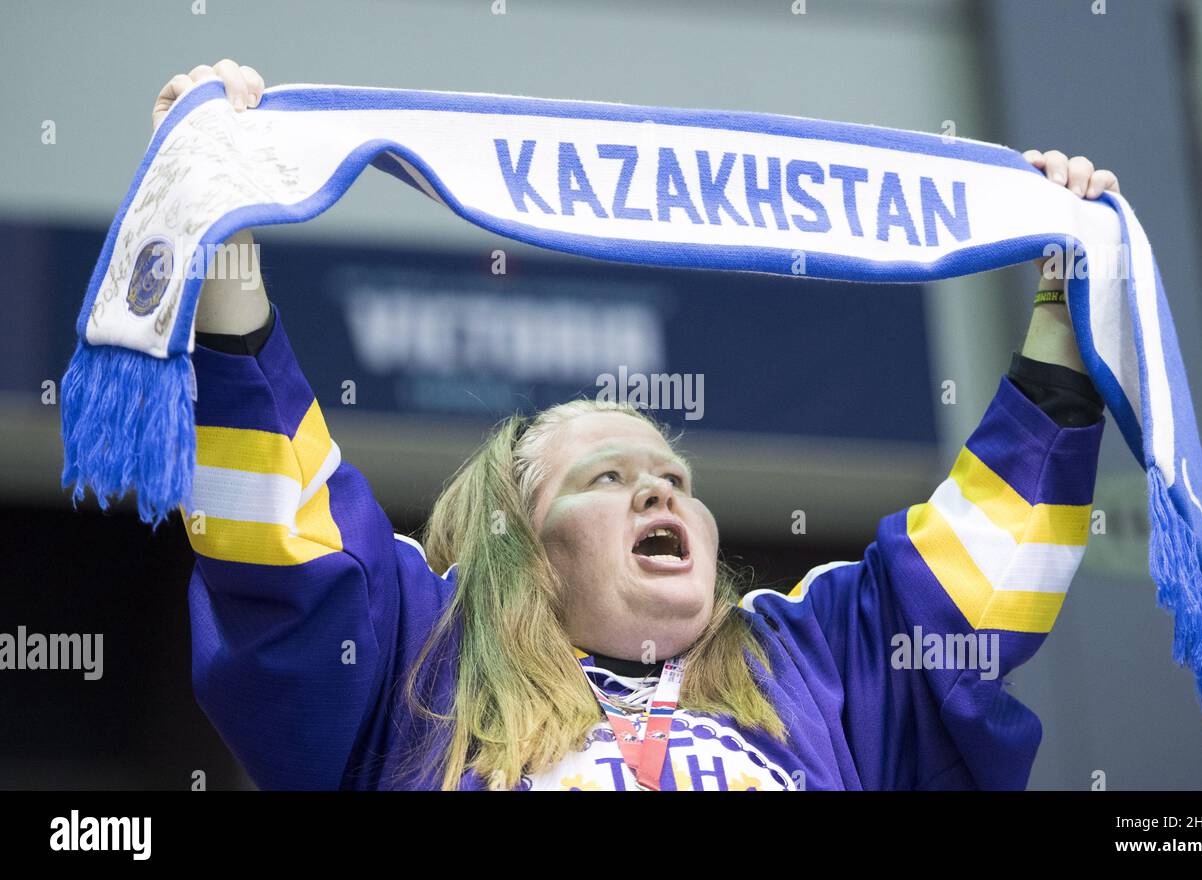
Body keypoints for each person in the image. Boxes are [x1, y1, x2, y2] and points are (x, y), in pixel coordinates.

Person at [159, 60, 1116, 791]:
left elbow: (971, 583)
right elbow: (290, 552)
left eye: (673, 481)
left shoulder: (810, 663)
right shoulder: (420, 667)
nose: (662, 489)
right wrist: (220, 225)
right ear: (516, 545)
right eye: (605, 478)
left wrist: (1065, 320)